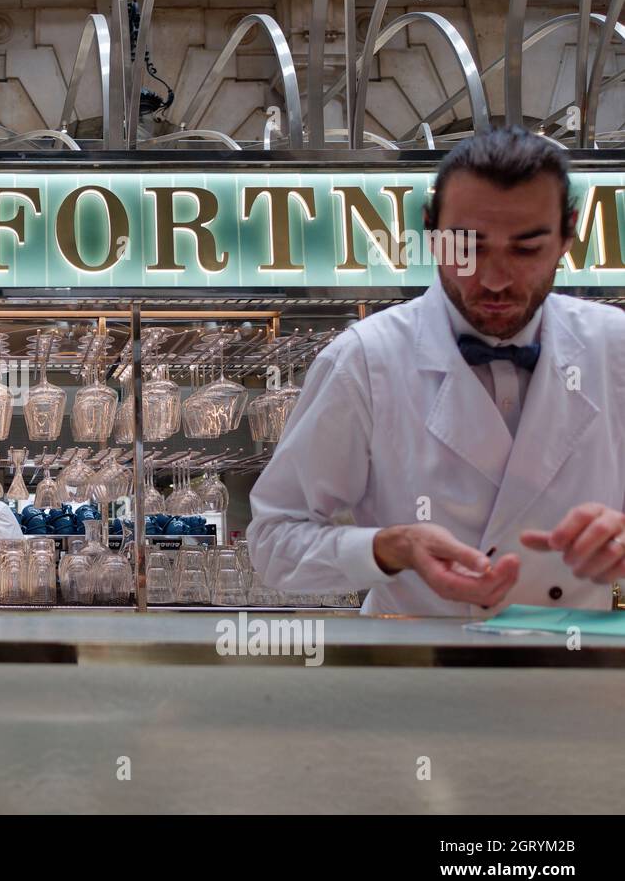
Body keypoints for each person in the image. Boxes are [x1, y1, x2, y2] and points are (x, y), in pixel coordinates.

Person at [248, 126, 625, 616]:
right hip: (415, 674)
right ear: (431, 230)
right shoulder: (365, 360)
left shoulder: (614, 348)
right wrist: (386, 548)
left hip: (576, 678)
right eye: (466, 247)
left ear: (567, 236)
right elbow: (272, 544)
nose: (494, 279)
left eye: (526, 249)